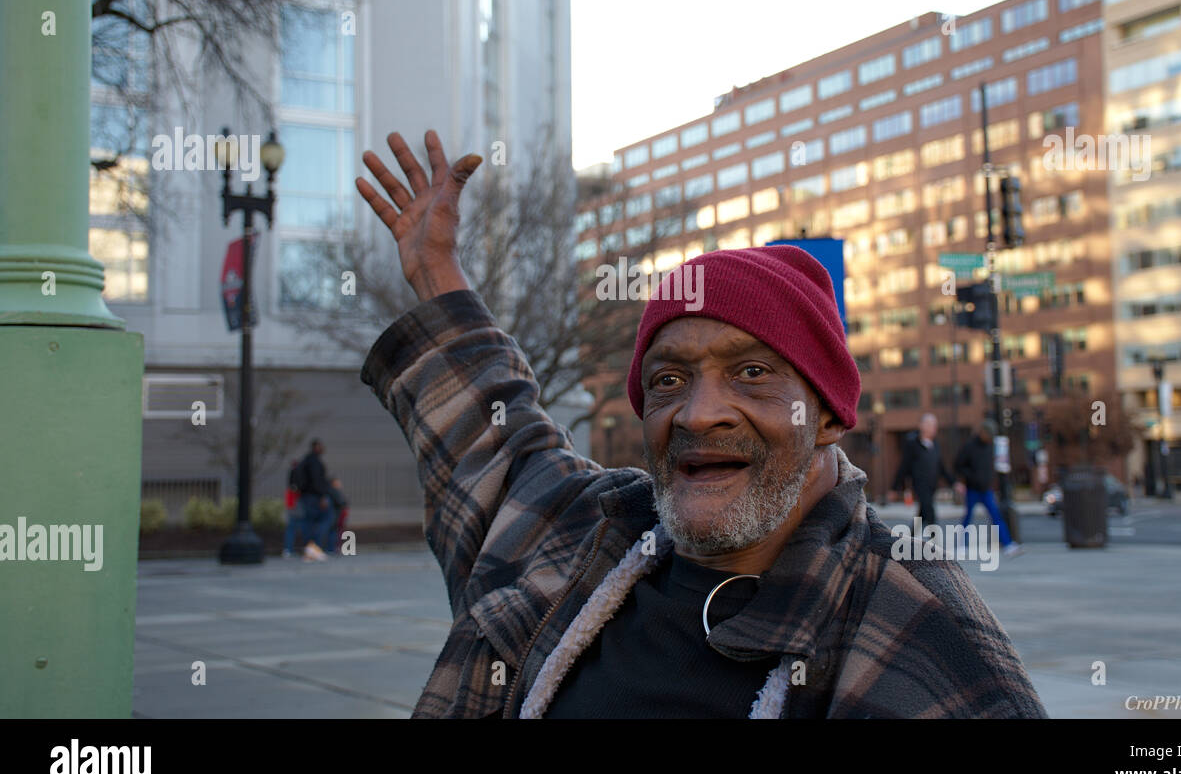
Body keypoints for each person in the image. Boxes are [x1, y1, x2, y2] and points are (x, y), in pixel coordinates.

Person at [354, 128, 1046, 719]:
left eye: (751, 373)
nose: (699, 412)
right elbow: (495, 431)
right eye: (669, 379)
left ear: (830, 416)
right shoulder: (582, 534)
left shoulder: (915, 622)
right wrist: (435, 267)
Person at [954, 421, 1021, 558]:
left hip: (986, 489)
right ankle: (962, 545)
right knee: (968, 517)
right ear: (982, 432)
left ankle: (1008, 544)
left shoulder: (991, 447)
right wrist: (971, 477)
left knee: (996, 516)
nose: (989, 438)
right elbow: (958, 465)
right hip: (973, 488)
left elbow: (996, 464)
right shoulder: (969, 447)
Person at [890, 412, 954, 528]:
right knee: (930, 513)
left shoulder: (935, 445)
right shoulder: (913, 445)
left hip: (932, 486)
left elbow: (941, 467)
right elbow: (904, 467)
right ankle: (935, 543)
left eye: (935, 425)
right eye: (930, 424)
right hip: (920, 485)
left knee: (921, 516)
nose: (934, 428)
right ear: (922, 426)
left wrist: (953, 483)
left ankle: (908, 540)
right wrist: (895, 488)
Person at [298, 439, 333, 562]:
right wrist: (322, 496)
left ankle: (310, 550)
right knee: (326, 519)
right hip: (314, 497)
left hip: (307, 496)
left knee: (309, 523)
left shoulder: (306, 460)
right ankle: (315, 548)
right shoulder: (314, 462)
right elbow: (316, 480)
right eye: (321, 446)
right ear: (316, 447)